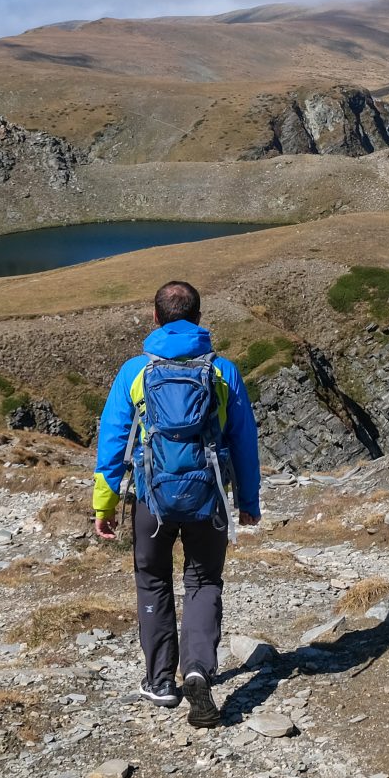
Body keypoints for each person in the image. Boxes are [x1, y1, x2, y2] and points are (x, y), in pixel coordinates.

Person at [92, 280, 261, 727]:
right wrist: (248, 499)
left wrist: (103, 506)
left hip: (151, 498)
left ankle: (160, 681)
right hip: (209, 498)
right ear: (200, 318)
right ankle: (197, 669)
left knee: (153, 580)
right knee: (204, 581)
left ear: (155, 318)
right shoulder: (224, 371)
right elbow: (244, 441)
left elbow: (112, 443)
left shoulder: (135, 372)